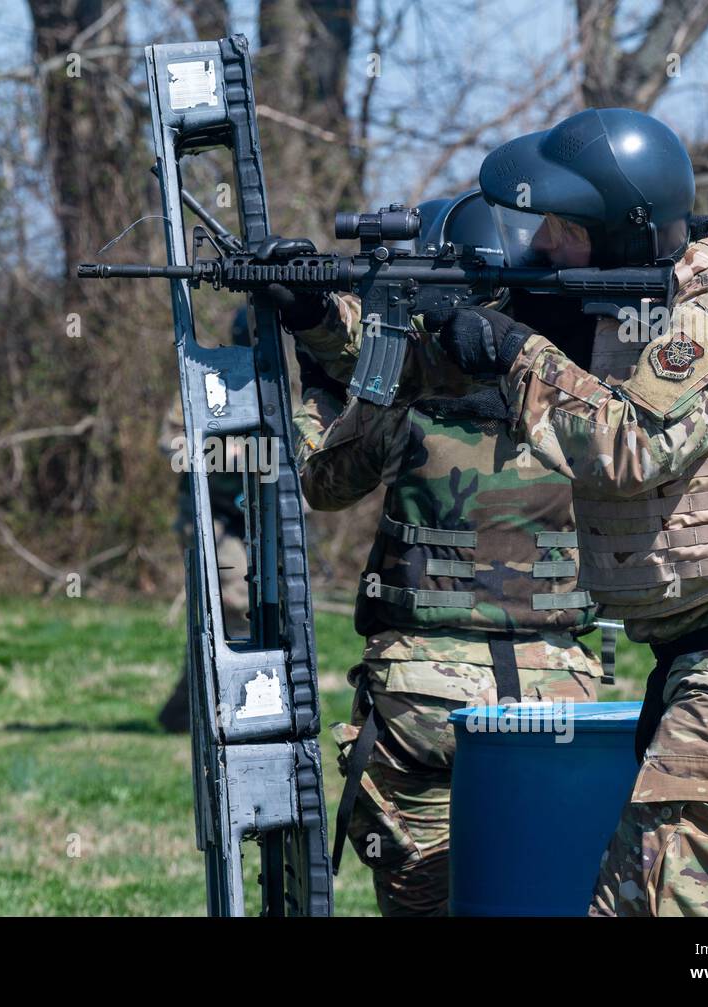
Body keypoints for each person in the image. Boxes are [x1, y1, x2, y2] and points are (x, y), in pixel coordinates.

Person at [428, 107, 708, 916]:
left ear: (621, 234)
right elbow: (465, 387)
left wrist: (515, 351)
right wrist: (334, 319)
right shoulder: (623, 301)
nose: (543, 245)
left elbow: (633, 443)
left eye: (562, 227)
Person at [279, 192, 604, 916]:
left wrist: (320, 386)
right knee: (542, 894)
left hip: (425, 695)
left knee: (424, 899)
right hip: (560, 694)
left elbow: (322, 480)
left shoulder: (409, 394)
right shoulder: (587, 400)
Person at [156, 309, 252, 732]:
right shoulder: (209, 375)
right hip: (209, 512)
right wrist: (225, 456)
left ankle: (187, 709)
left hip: (260, 511)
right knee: (232, 601)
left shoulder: (279, 380)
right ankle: (232, 706)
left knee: (242, 611)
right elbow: (170, 444)